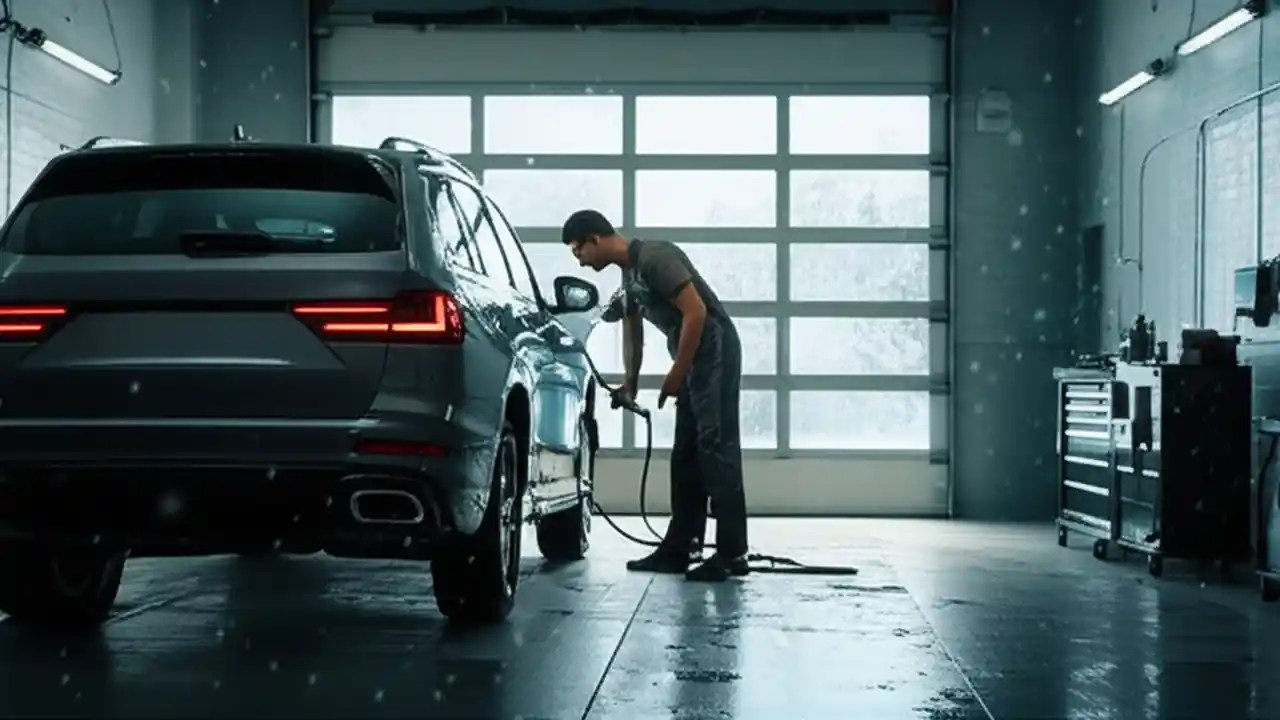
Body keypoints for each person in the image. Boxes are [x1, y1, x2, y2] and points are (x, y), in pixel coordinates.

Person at [561, 209, 749, 582]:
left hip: (714, 349)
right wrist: (631, 383)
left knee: (715, 447)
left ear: (595, 240)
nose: (580, 262)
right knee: (685, 455)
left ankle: (732, 552)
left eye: (578, 251)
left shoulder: (655, 258)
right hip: (692, 355)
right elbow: (633, 332)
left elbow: (695, 312)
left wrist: (677, 372)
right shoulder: (628, 277)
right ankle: (681, 548)